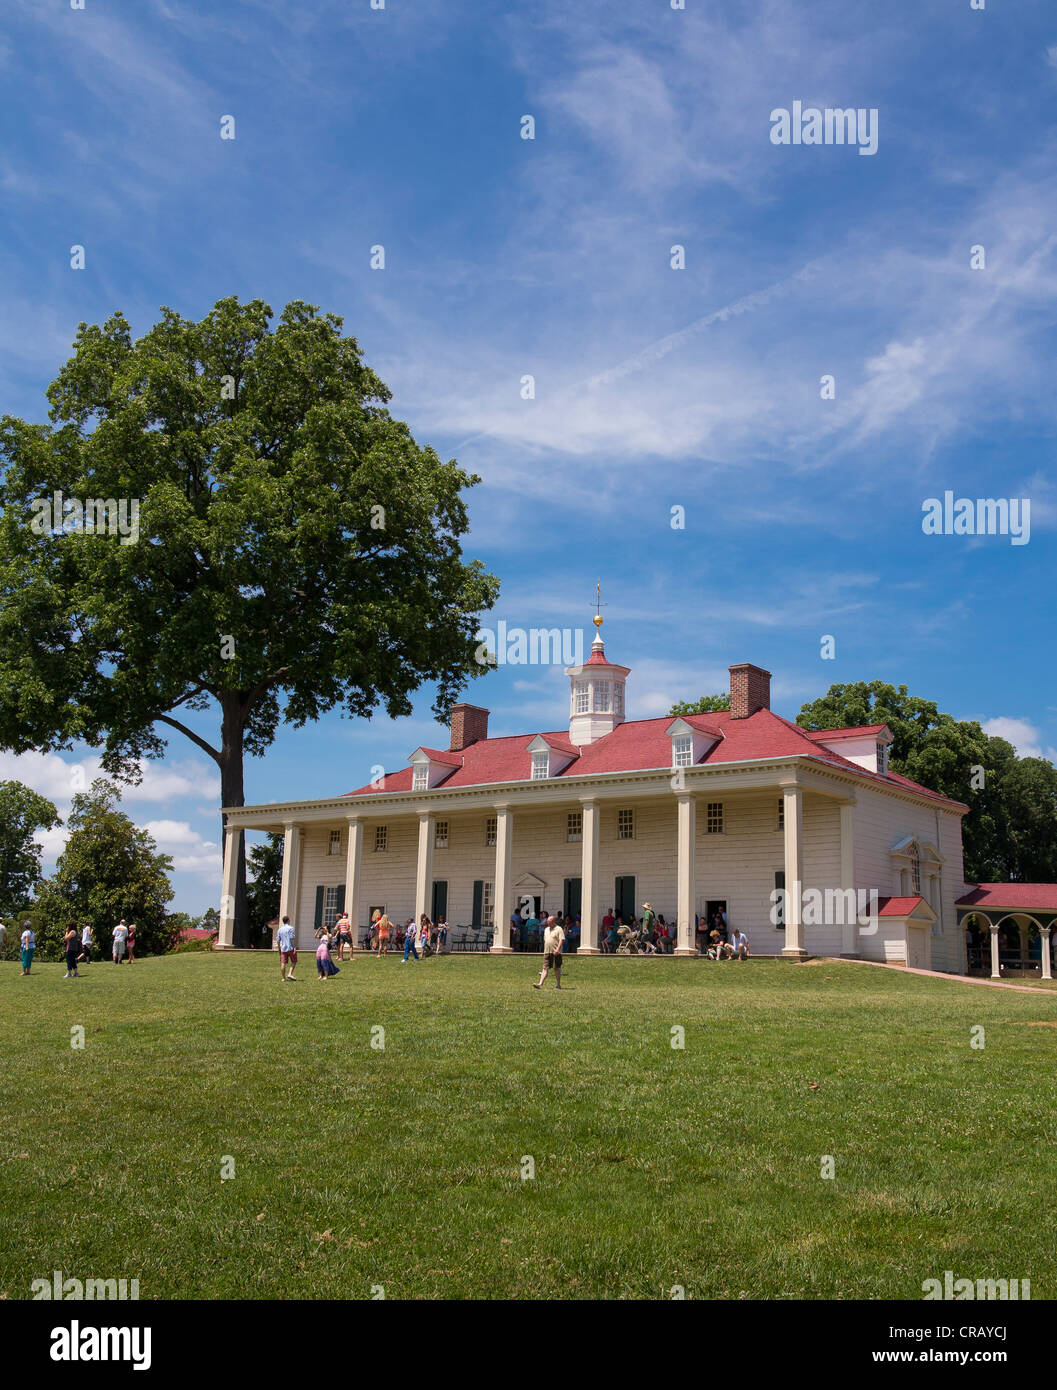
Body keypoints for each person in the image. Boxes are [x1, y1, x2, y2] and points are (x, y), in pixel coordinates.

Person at [533, 915, 564, 989]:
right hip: (547, 952)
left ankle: (558, 985)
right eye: (547, 922)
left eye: (549, 922)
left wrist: (557, 949)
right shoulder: (546, 929)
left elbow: (561, 940)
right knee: (545, 968)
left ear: (553, 922)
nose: (548, 923)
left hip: (556, 952)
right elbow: (545, 940)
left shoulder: (559, 929)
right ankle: (540, 984)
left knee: (556, 968)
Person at [276, 915, 297, 981]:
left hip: (283, 949)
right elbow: (291, 938)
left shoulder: (280, 930)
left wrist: (279, 949)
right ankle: (290, 974)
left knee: (283, 963)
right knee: (294, 961)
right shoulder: (291, 928)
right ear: (288, 920)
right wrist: (294, 947)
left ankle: (283, 978)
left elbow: (278, 940)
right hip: (290, 948)